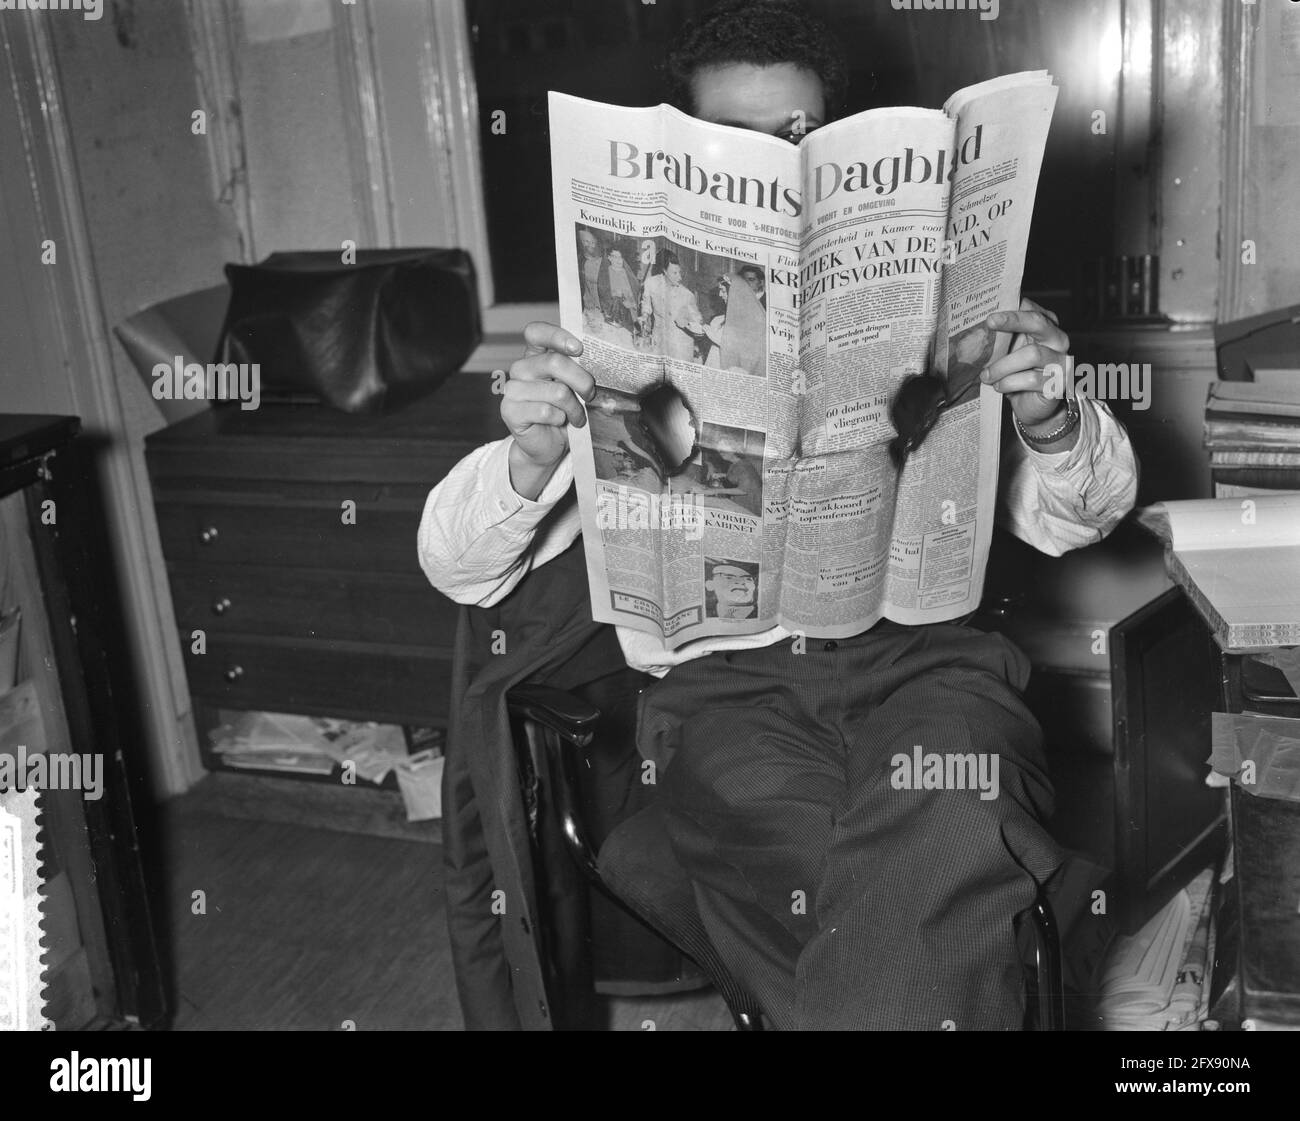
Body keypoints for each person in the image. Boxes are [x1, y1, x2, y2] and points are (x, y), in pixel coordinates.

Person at [419, 0, 1138, 1030]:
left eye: (796, 142)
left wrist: (1053, 415)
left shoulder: (934, 323)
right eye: (739, 147)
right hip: (728, 700)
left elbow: (1083, 515)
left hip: (925, 669)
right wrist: (532, 456)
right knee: (913, 891)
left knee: (950, 816)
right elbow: (457, 565)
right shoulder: (620, 335)